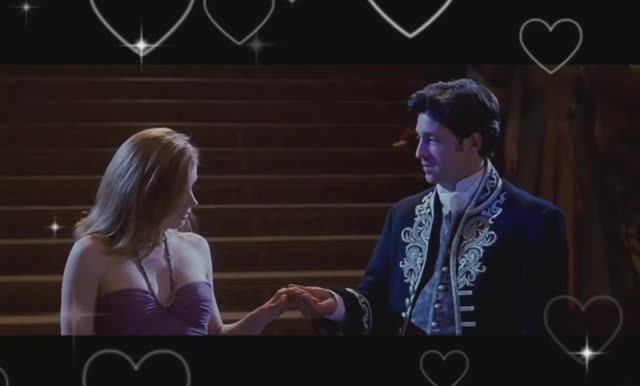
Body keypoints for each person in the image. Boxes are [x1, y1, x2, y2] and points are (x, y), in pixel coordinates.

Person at [287, 78, 569, 336]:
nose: (419, 152)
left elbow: (542, 330)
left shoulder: (536, 221)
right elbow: (376, 300)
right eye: (419, 138)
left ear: (474, 142)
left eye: (432, 140)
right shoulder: (403, 214)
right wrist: (335, 305)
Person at [60, 127, 297, 335]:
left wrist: (265, 314)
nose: (193, 201)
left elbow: (215, 334)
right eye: (182, 190)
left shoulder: (196, 247)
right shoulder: (90, 254)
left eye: (193, 187)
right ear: (148, 191)